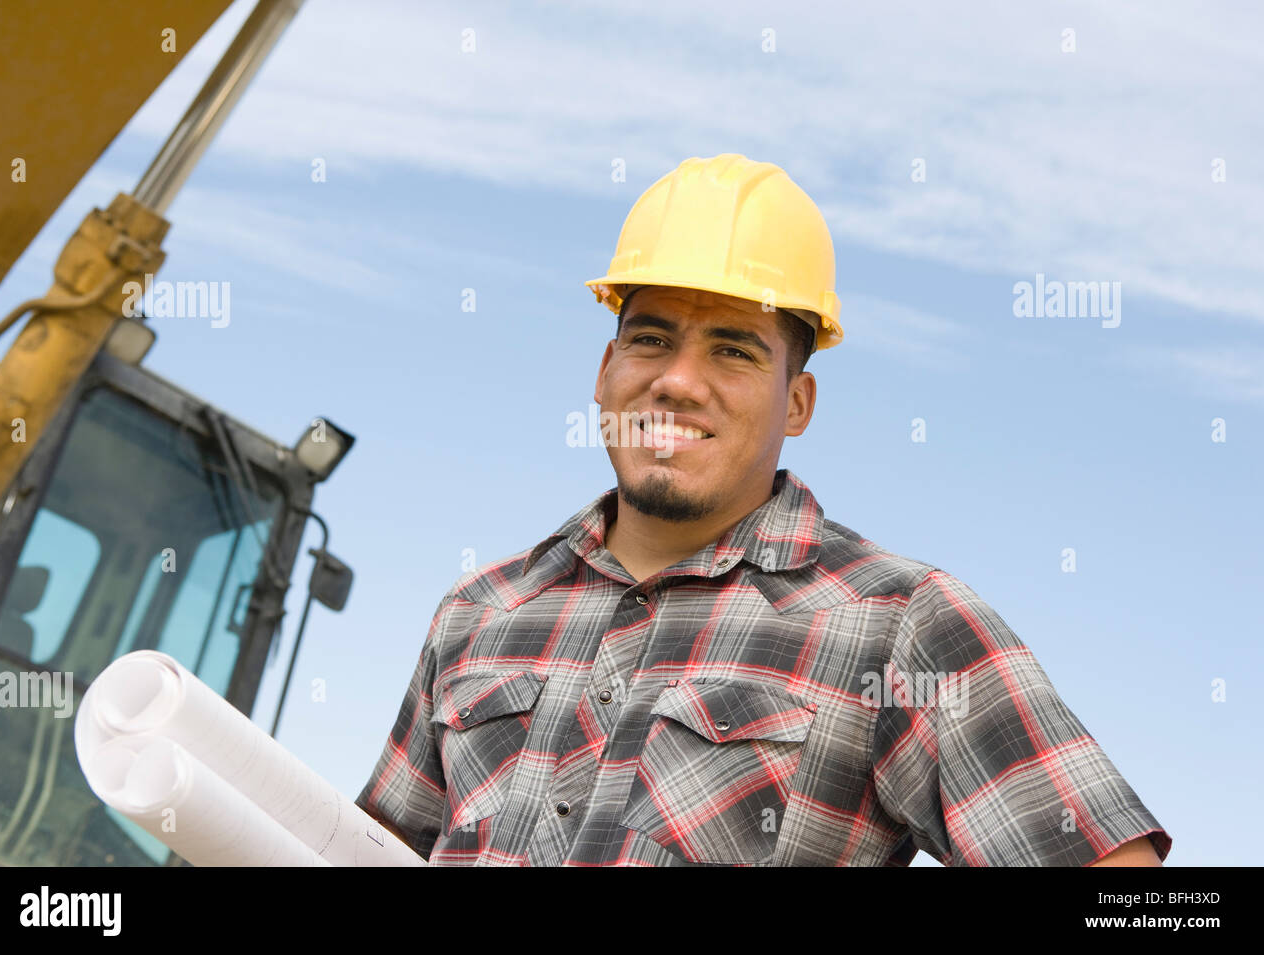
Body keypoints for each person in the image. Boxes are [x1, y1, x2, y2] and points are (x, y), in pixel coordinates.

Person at [355, 153, 1171, 866]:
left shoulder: (897, 625)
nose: (675, 380)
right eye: (649, 339)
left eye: (733, 350)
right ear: (605, 371)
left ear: (797, 404)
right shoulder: (478, 614)